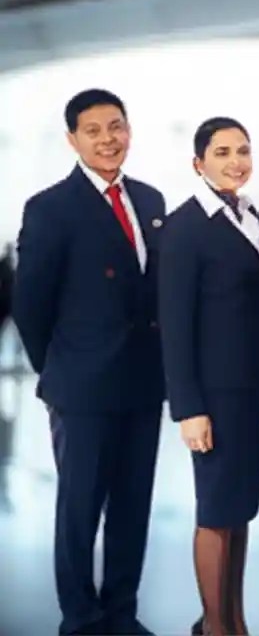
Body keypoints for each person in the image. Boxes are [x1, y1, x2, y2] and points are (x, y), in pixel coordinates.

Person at [11, 88, 166, 636]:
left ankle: (122, 612)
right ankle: (80, 618)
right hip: (82, 387)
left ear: (129, 129)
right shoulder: (51, 207)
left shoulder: (150, 201)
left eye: (116, 127)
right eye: (94, 130)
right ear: (73, 138)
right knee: (80, 511)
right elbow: (29, 303)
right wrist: (57, 370)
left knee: (132, 507)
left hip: (144, 383)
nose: (108, 139)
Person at [157, 117, 259, 636]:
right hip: (215, 396)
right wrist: (189, 407)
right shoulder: (185, 226)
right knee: (216, 510)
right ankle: (216, 628)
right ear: (198, 162)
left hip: (252, 393)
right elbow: (175, 323)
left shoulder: (251, 216)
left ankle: (234, 620)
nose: (235, 161)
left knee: (239, 508)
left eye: (242, 150)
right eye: (222, 152)